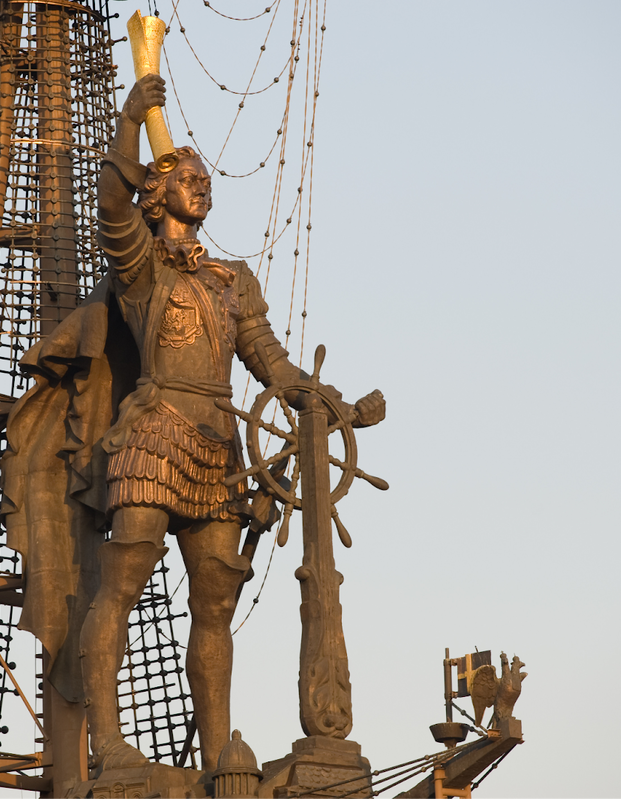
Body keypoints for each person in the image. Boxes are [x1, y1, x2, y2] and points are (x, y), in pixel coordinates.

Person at [75, 74, 386, 771]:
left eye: (207, 179)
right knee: (123, 580)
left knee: (215, 601)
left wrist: (329, 402)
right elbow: (107, 205)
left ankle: (218, 751)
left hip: (219, 450)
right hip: (155, 435)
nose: (203, 187)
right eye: (190, 178)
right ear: (161, 194)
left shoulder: (232, 280)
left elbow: (271, 363)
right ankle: (110, 740)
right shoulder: (142, 266)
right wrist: (131, 121)